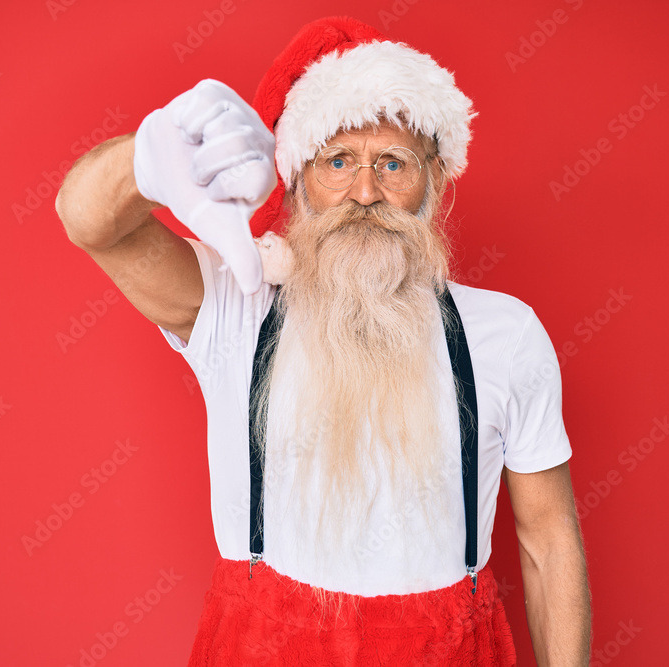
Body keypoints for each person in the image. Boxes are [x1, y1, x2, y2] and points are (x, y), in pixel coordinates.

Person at [56, 15, 591, 666]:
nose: (365, 192)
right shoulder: (234, 305)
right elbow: (88, 220)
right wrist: (148, 159)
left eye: (392, 163)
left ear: (434, 182)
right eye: (338, 160)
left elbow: (547, 540)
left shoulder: (506, 335)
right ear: (299, 177)